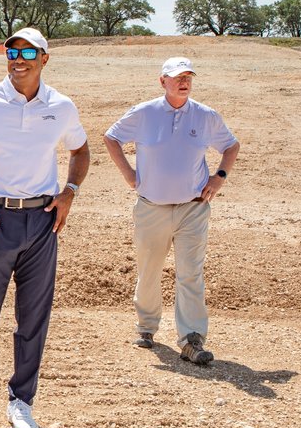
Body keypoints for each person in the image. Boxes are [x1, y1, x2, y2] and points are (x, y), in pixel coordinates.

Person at [0, 27, 89, 428]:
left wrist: (70, 193)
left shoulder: (61, 106)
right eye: (11, 51)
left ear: (45, 58)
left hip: (43, 221)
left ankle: (21, 403)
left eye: (27, 51)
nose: (18, 58)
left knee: (33, 319)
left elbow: (81, 150)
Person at [103, 57, 240, 365]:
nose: (184, 82)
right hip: (152, 207)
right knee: (149, 269)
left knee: (191, 273)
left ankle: (192, 338)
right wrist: (128, 173)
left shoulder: (205, 116)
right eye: (178, 77)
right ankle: (147, 327)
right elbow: (111, 138)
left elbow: (231, 146)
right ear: (162, 81)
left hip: (193, 208)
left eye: (188, 77)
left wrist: (219, 178)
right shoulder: (144, 113)